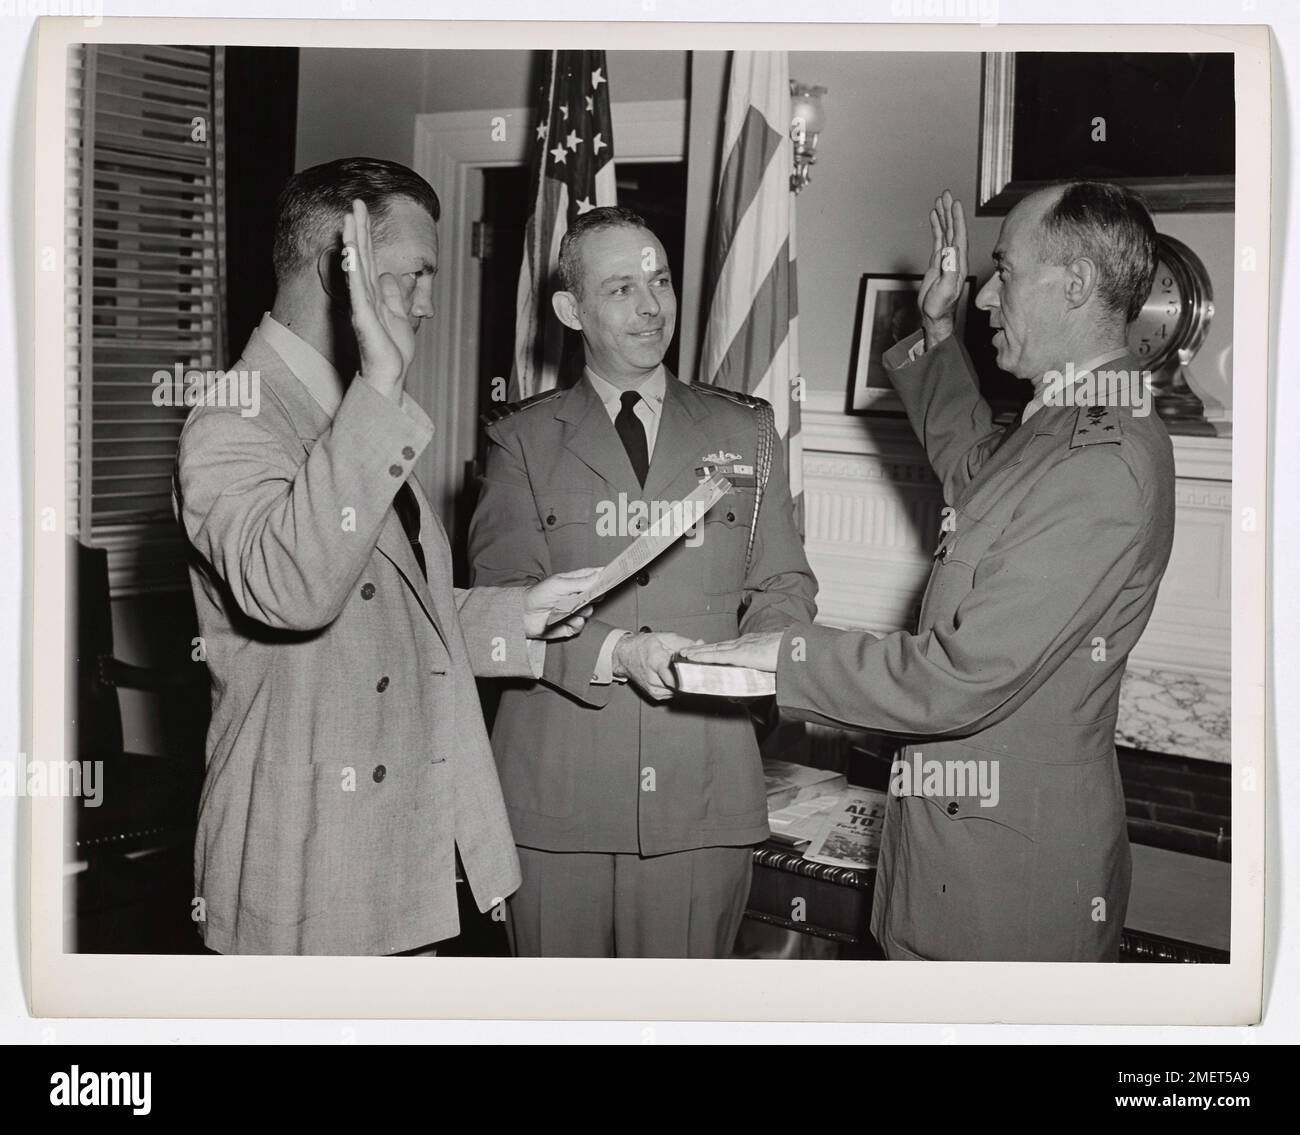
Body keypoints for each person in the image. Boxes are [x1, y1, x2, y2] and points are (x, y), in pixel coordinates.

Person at [683, 183, 1176, 962]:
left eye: (1005, 272)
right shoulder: (1061, 420)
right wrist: (936, 330)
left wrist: (783, 655)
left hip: (1006, 891)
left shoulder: (1104, 460)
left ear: (1075, 285)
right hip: (952, 855)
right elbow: (973, 465)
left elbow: (962, 674)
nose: (986, 298)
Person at [175, 158, 598, 955]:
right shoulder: (232, 418)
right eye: (413, 277)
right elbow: (293, 589)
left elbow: (392, 606)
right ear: (345, 269)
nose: (429, 305)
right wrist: (380, 381)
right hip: (308, 863)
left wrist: (516, 613)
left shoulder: (357, 408)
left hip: (406, 853)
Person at [468, 205, 818, 958]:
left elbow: (784, 579)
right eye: (621, 287)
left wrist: (752, 664)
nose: (652, 305)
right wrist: (614, 652)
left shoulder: (745, 429)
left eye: (659, 280)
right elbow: (500, 602)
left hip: (703, 789)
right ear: (571, 309)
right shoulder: (521, 437)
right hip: (559, 797)